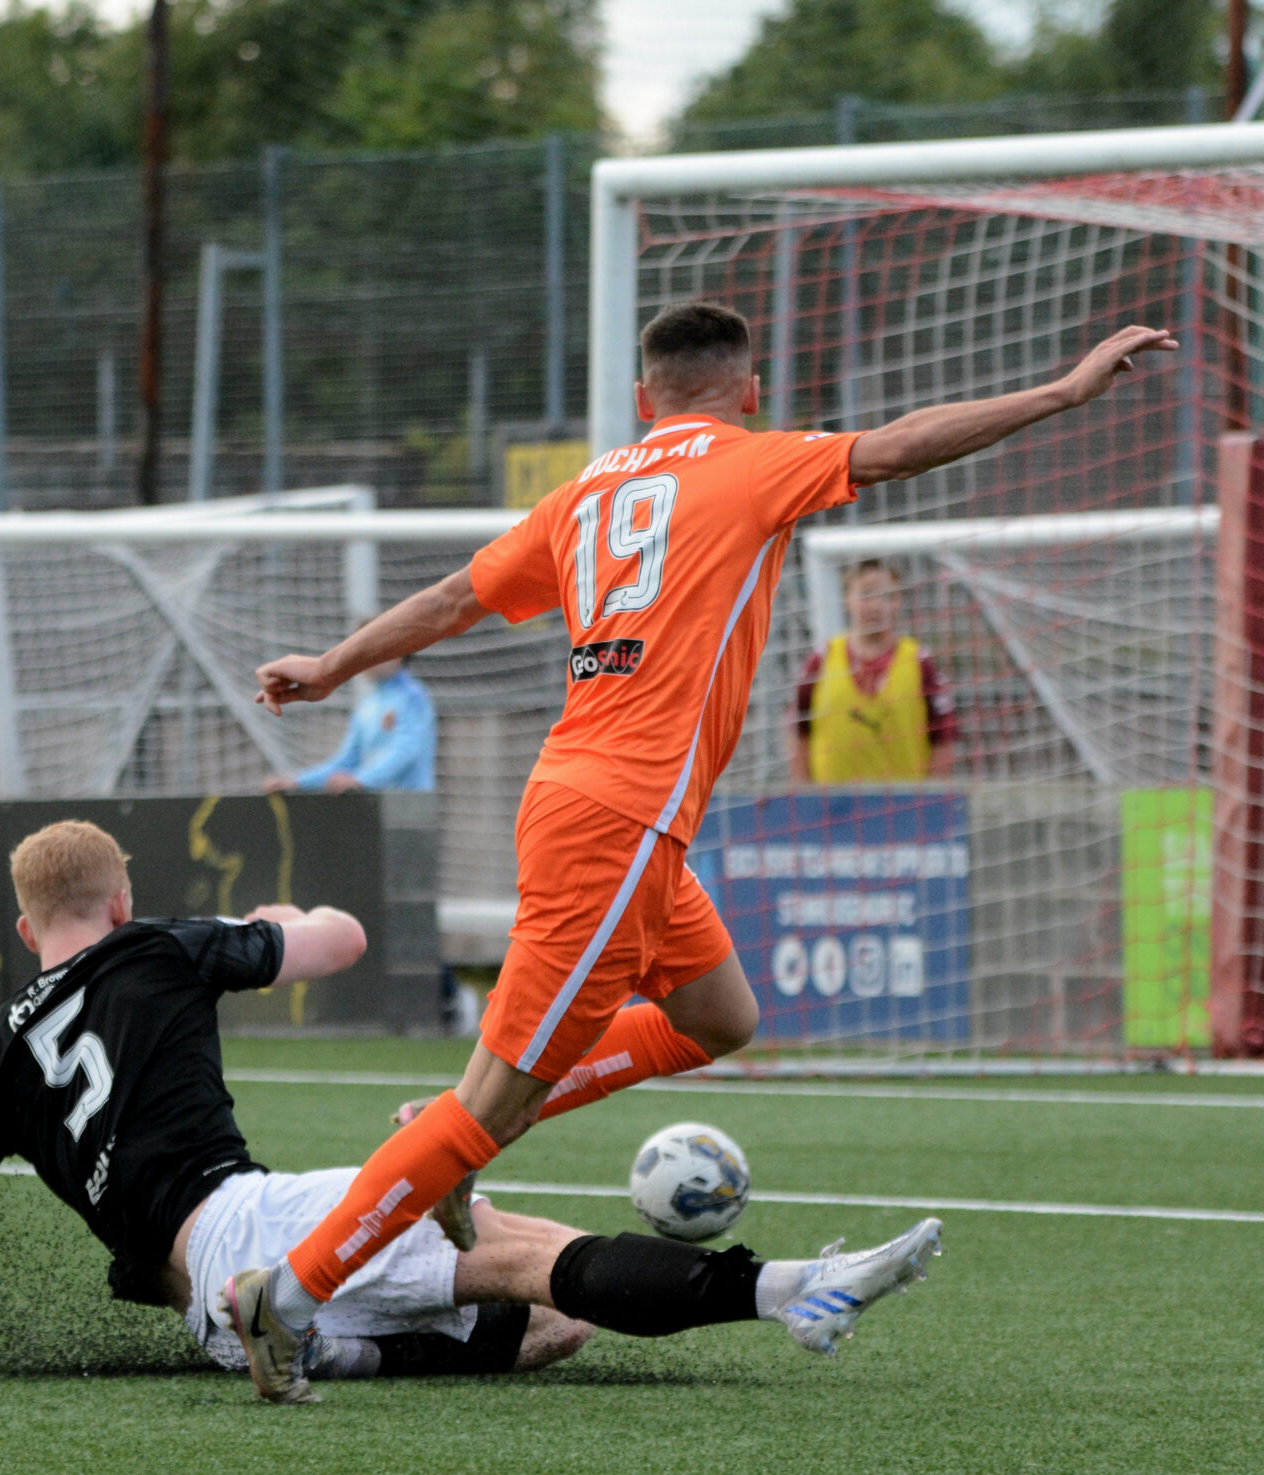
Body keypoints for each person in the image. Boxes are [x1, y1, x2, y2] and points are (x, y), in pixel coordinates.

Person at [241, 299, 1172, 1402]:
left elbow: (455, 597)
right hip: (619, 822)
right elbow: (900, 444)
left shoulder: (593, 487)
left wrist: (337, 664)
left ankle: (463, 1119)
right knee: (485, 1104)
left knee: (720, 1015)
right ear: (750, 388)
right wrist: (1063, 393)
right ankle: (291, 1294)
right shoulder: (751, 463)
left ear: (645, 398)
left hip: (600, 811)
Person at [0, 819, 941, 1392]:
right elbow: (342, 939)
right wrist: (281, 911)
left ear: (28, 931)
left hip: (217, 1324)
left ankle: (494, 1226)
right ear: (117, 901)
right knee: (508, 1247)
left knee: (556, 1327)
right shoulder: (158, 946)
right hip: (258, 1236)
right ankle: (789, 1291)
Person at [791, 559, 959, 783]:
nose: (877, 605)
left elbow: (943, 738)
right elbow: (797, 731)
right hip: (832, 809)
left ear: (899, 602)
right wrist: (804, 795)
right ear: (847, 599)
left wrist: (932, 802)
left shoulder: (919, 662)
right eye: (867, 594)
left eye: (888, 596)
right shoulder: (822, 660)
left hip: (905, 808)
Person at [264, 656, 436, 794]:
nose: (364, 658)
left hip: (411, 810)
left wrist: (362, 780)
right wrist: (297, 782)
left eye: (375, 649)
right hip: (374, 807)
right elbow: (347, 760)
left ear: (397, 654)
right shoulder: (368, 704)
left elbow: (406, 752)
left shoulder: (412, 697)